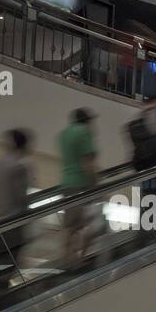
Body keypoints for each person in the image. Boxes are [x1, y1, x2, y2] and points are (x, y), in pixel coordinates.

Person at [0, 129, 33, 296]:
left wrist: (0, 201)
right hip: (13, 223)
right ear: (25, 146)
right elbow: (21, 197)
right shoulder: (20, 167)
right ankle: (0, 297)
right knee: (9, 263)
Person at [59, 108, 98, 263]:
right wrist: (95, 183)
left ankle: (67, 257)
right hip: (82, 184)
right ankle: (80, 258)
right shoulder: (84, 132)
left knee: (70, 225)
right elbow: (87, 162)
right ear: (87, 120)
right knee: (89, 224)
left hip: (66, 182)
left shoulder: (65, 133)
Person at [129, 92, 156, 209]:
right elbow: (155, 135)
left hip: (143, 164)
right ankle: (151, 223)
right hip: (148, 165)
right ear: (154, 101)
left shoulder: (140, 115)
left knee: (151, 194)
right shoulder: (150, 114)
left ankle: (149, 221)